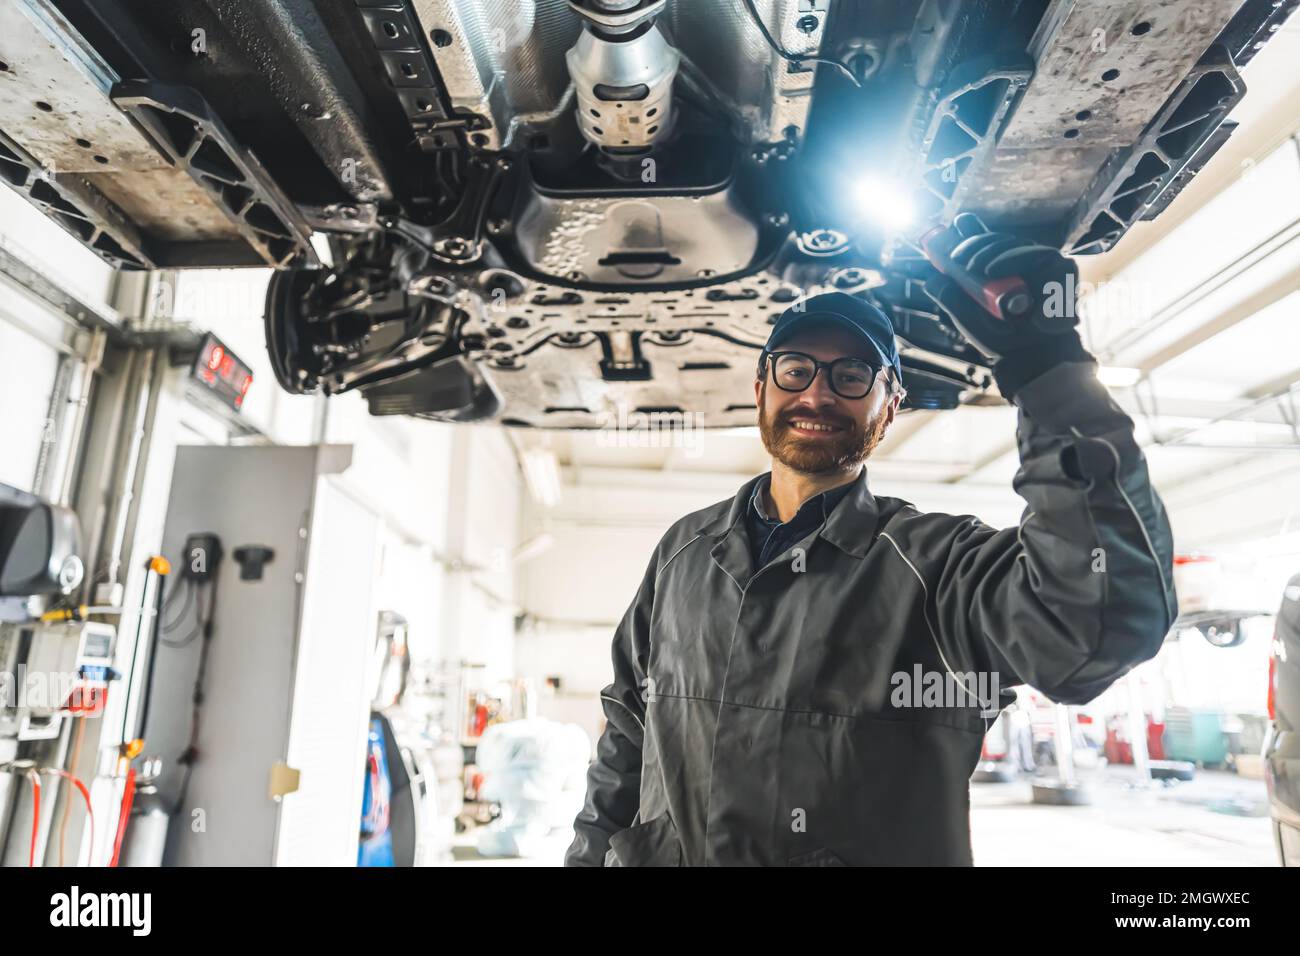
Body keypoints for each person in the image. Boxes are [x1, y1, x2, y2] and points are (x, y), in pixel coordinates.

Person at [564, 215, 1178, 866]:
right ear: (761, 388)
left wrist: (1047, 370)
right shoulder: (683, 552)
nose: (818, 393)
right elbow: (626, 736)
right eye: (796, 369)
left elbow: (1094, 629)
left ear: (889, 405)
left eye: (852, 375)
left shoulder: (940, 568)